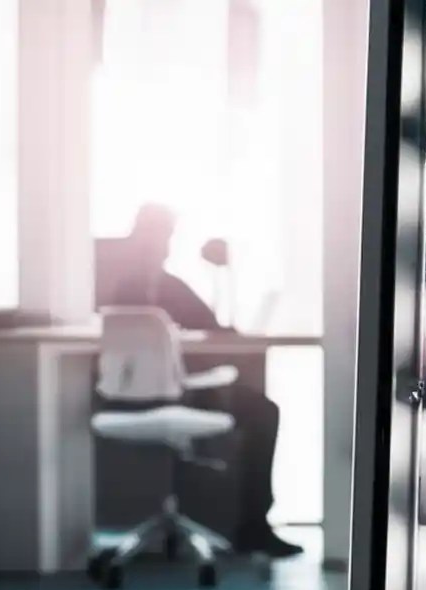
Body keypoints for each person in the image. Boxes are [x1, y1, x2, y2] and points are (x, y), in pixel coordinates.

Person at [112, 204, 303, 558]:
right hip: (179, 395)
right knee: (262, 412)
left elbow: (208, 325)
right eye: (163, 236)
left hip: (120, 398)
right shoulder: (160, 286)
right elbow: (217, 331)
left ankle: (250, 523)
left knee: (255, 407)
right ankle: (253, 527)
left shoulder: (120, 284)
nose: (163, 245)